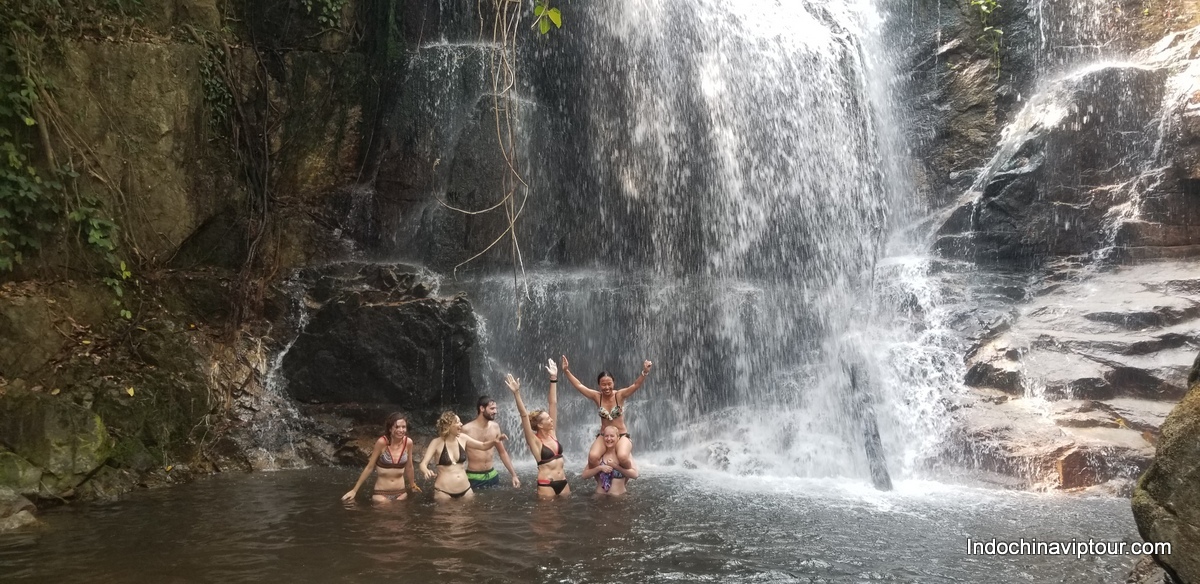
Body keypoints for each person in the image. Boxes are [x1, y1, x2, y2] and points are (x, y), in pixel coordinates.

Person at [561, 355, 652, 469]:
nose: (607, 387)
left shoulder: (620, 395)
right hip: (604, 435)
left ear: (613, 383)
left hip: (621, 435)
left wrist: (645, 372)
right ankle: (602, 473)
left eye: (609, 384)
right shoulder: (597, 397)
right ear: (599, 385)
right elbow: (579, 386)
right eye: (603, 384)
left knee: (623, 456)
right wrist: (566, 371)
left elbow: (635, 385)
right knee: (593, 457)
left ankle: (627, 473)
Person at [506, 361, 569, 498]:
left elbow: (553, 403)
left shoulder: (552, 433)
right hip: (547, 484)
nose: (551, 420)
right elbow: (524, 415)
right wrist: (516, 393)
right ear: (540, 425)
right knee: (546, 513)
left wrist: (553, 378)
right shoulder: (534, 441)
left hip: (563, 481)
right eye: (548, 419)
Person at [419, 411, 507, 501]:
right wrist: (426, 471)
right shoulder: (436, 443)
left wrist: (494, 441)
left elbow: (483, 446)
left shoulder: (463, 438)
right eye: (457, 422)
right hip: (444, 492)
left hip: (466, 490)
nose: (461, 424)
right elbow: (423, 464)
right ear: (448, 425)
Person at [342, 412, 418, 503]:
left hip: (401, 493)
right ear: (390, 428)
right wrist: (354, 490)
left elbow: (409, 467)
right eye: (397, 427)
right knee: (384, 509)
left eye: (403, 427)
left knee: (400, 510)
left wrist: (413, 485)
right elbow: (370, 467)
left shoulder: (408, 443)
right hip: (381, 494)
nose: (401, 430)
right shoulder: (382, 442)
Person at [581, 425, 639, 495]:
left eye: (612, 436)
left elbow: (635, 475)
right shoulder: (600, 455)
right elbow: (584, 475)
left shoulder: (624, 455)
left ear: (618, 437)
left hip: (619, 498)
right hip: (600, 497)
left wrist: (616, 466)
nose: (609, 439)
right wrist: (600, 468)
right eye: (606, 436)